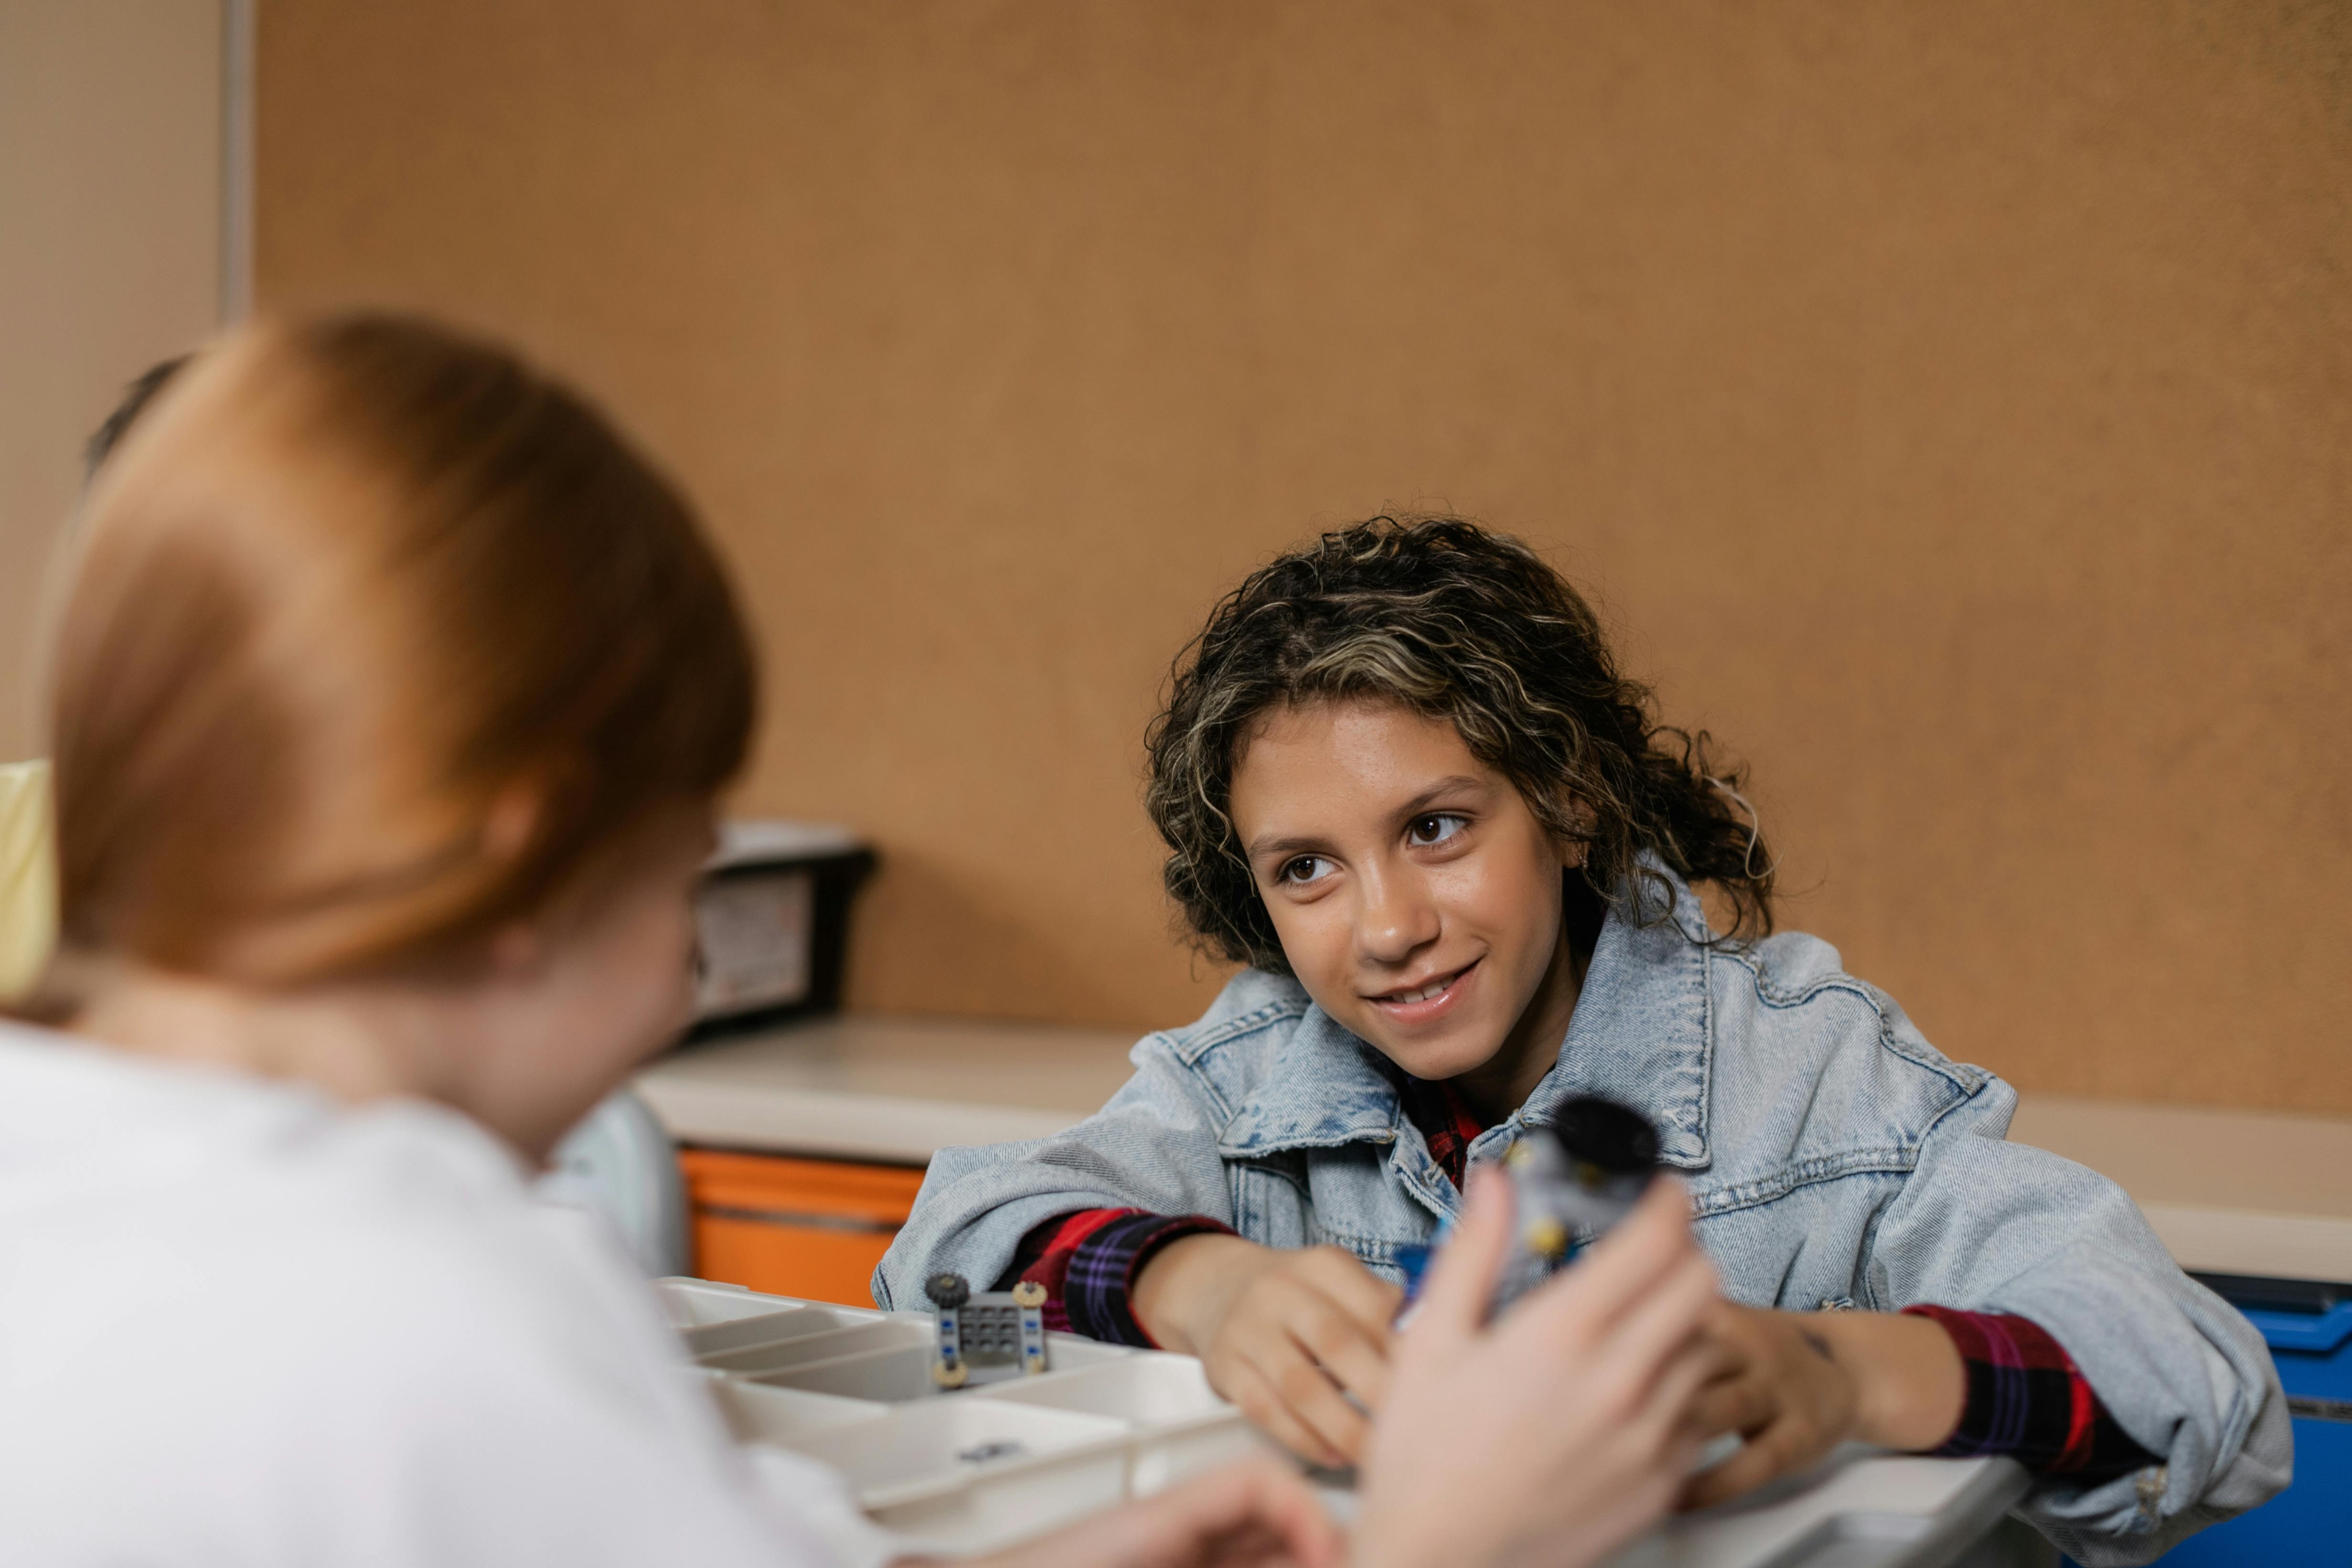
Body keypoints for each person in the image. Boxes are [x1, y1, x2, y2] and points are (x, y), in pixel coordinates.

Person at [0, 317, 1722, 1568]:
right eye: (685, 859)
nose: (686, 975)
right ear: (523, 861)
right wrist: (1445, 1543)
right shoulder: (431, 1315)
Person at [879, 518, 2292, 1565]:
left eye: (1437, 828)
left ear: (1565, 800)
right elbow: (933, 1285)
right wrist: (1197, 1286)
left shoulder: (1816, 1080)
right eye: (1306, 868)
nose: (1387, 928)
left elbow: (2208, 1394)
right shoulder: (1243, 1074)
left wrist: (1846, 1375)